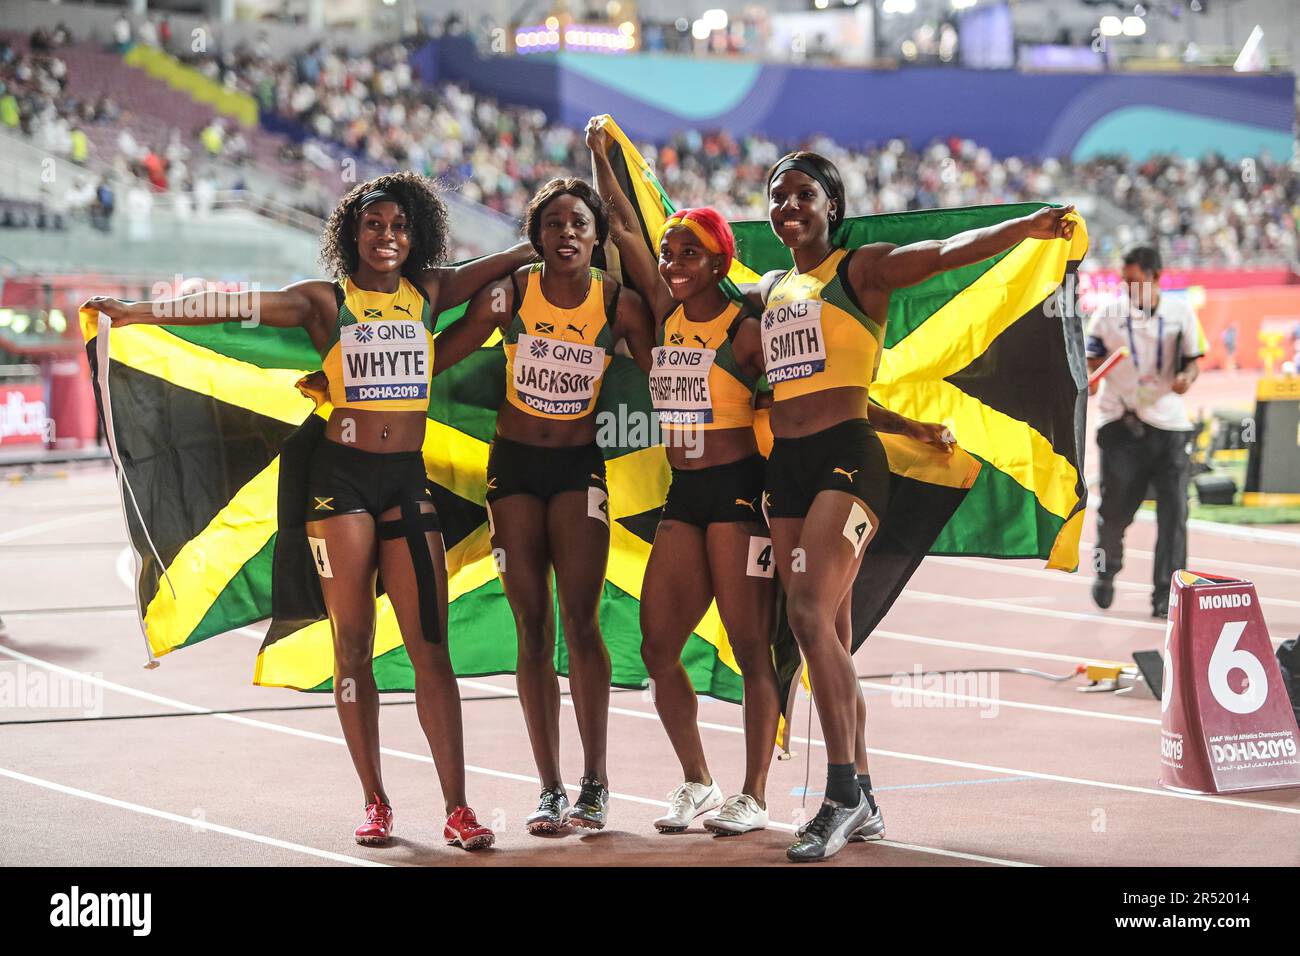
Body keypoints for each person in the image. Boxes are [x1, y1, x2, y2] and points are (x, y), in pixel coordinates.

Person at [83, 172, 537, 851]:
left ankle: (457, 807)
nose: (388, 236)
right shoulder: (324, 302)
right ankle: (375, 802)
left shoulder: (432, 293)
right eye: (375, 224)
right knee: (351, 645)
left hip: (406, 482)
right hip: (341, 483)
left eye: (400, 226)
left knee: (429, 649)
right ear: (353, 233)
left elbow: (513, 258)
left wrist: (559, 241)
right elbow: (231, 306)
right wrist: (141, 313)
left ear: (417, 237)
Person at [751, 151, 1074, 862]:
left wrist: (1023, 227)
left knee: (806, 615)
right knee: (828, 629)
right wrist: (912, 427)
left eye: (804, 195)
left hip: (847, 461)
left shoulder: (860, 270)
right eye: (778, 198)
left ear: (831, 206)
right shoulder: (772, 289)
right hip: (788, 469)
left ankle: (838, 797)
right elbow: (799, 382)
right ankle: (862, 792)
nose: (789, 208)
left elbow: (945, 253)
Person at [434, 178, 653, 834]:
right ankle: (550, 787)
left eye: (578, 224)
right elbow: (440, 354)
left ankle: (596, 782)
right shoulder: (513, 294)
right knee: (533, 628)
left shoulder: (619, 303)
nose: (566, 234)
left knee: (581, 624)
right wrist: (356, 371)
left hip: (577, 469)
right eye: (553, 223)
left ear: (597, 237)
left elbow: (675, 370)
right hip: (514, 471)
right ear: (537, 235)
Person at [588, 119, 780, 835]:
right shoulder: (664, 317)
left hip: (737, 496)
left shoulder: (748, 329)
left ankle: (754, 793)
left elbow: (806, 391)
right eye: (668, 251)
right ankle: (698, 780)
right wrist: (599, 152)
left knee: (750, 645)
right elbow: (617, 222)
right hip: (683, 496)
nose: (671, 261)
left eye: (687, 252)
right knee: (657, 647)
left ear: (719, 261)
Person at [1086, 245, 1205, 619]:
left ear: (1156, 277)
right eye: (1124, 281)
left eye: (1134, 281)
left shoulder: (1181, 312)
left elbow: (1192, 363)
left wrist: (1185, 378)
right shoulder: (1108, 315)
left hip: (1169, 424)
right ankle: (1106, 571)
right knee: (1115, 511)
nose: (1127, 288)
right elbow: (1089, 363)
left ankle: (1166, 596)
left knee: (1175, 514)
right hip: (1121, 422)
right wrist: (1088, 380)